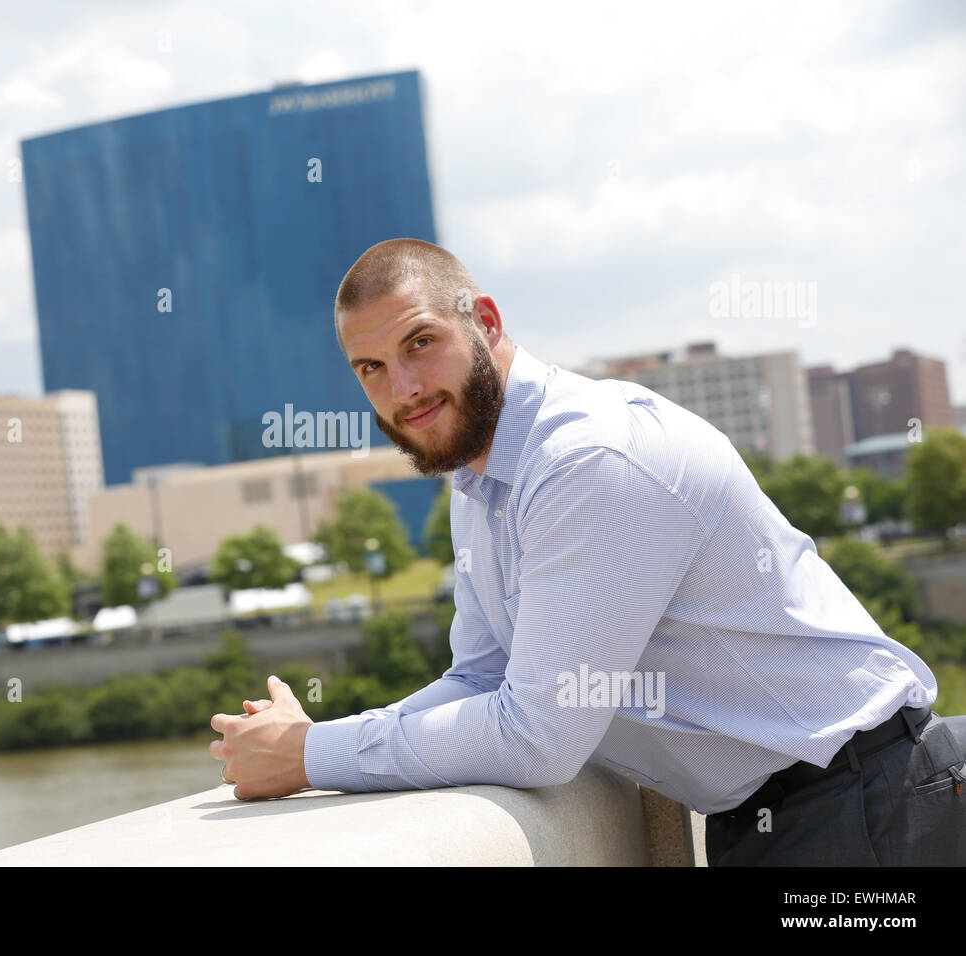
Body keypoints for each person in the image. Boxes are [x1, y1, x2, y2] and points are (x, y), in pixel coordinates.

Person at [209, 238, 966, 866]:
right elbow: (480, 677)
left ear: (487, 321)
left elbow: (538, 736)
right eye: (370, 368)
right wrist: (314, 740)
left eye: (420, 344)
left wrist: (311, 755)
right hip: (778, 817)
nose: (402, 388)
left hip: (872, 806)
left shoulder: (588, 461)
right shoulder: (480, 480)